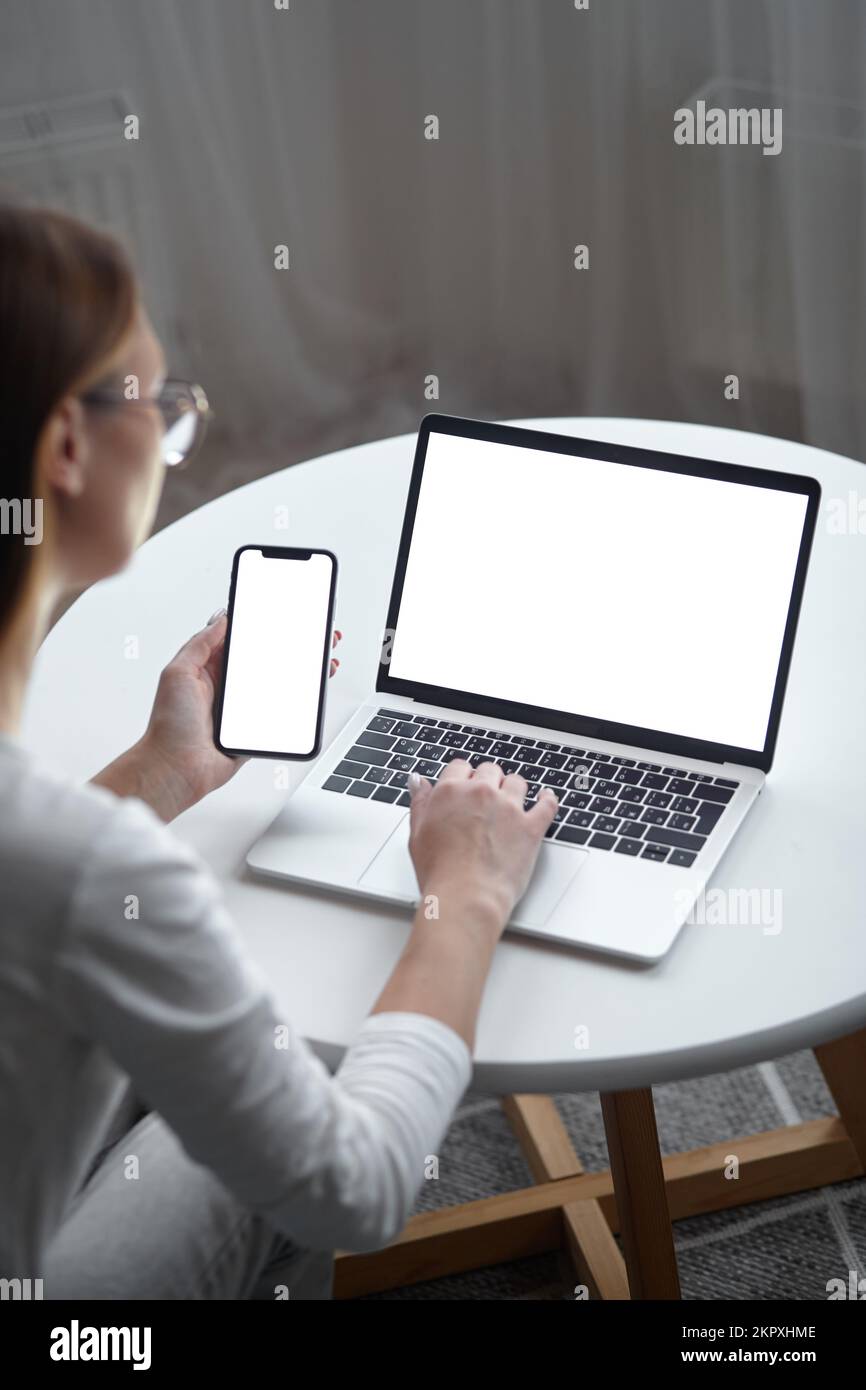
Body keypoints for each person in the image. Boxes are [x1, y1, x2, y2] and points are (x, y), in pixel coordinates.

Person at [0, 205, 558, 1299]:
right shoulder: (100, 878)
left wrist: (161, 773)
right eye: (162, 411)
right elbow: (358, 1188)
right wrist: (465, 894)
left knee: (172, 1055)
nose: (172, 442)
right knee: (279, 1090)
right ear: (67, 445)